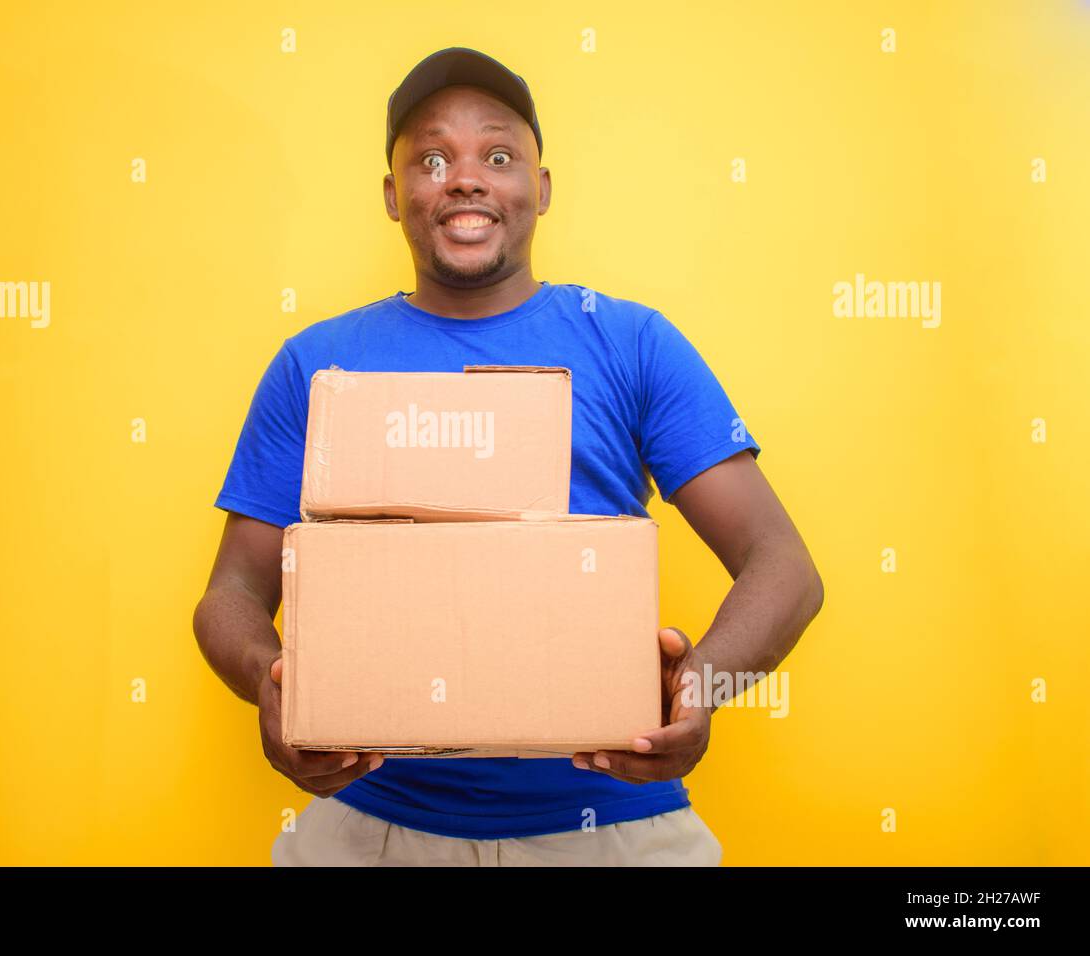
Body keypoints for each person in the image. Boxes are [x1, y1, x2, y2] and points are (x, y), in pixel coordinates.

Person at [193, 47, 824, 866]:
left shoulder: (631, 343)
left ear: (542, 188)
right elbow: (230, 593)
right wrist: (273, 684)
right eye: (429, 158)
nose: (463, 178)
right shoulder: (319, 366)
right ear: (394, 198)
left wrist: (699, 688)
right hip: (375, 824)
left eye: (497, 155)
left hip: (612, 822)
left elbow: (784, 567)